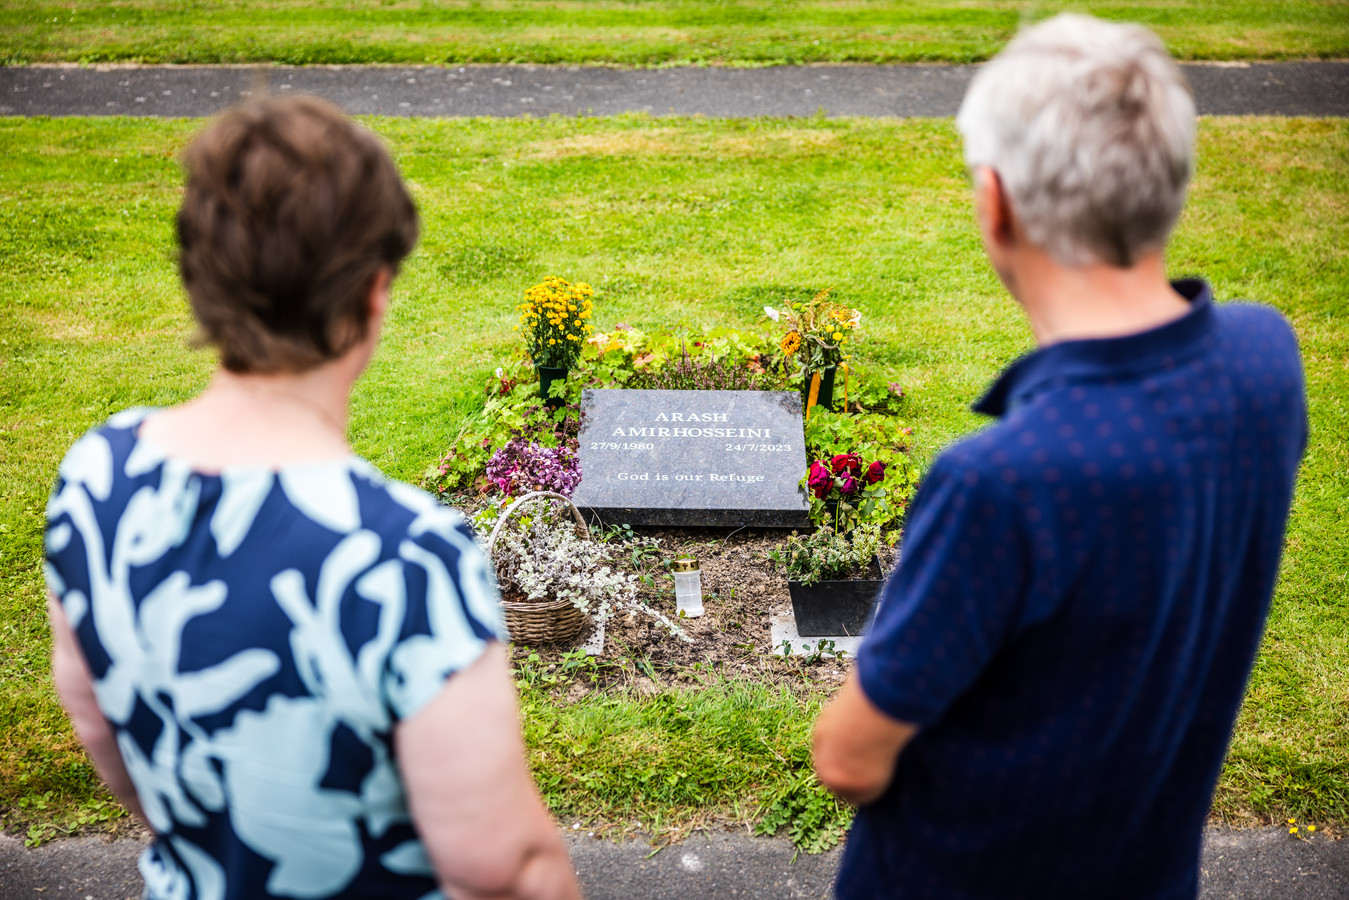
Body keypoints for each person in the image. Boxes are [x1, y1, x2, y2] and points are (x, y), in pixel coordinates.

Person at [813, 14, 1307, 900]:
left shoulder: (998, 482)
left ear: (995, 201)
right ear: (1170, 180)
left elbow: (847, 757)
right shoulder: (1265, 360)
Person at [44, 95, 581, 900]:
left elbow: (98, 724)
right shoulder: (406, 552)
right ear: (373, 294)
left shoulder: (95, 474)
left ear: (202, 277)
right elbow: (498, 864)